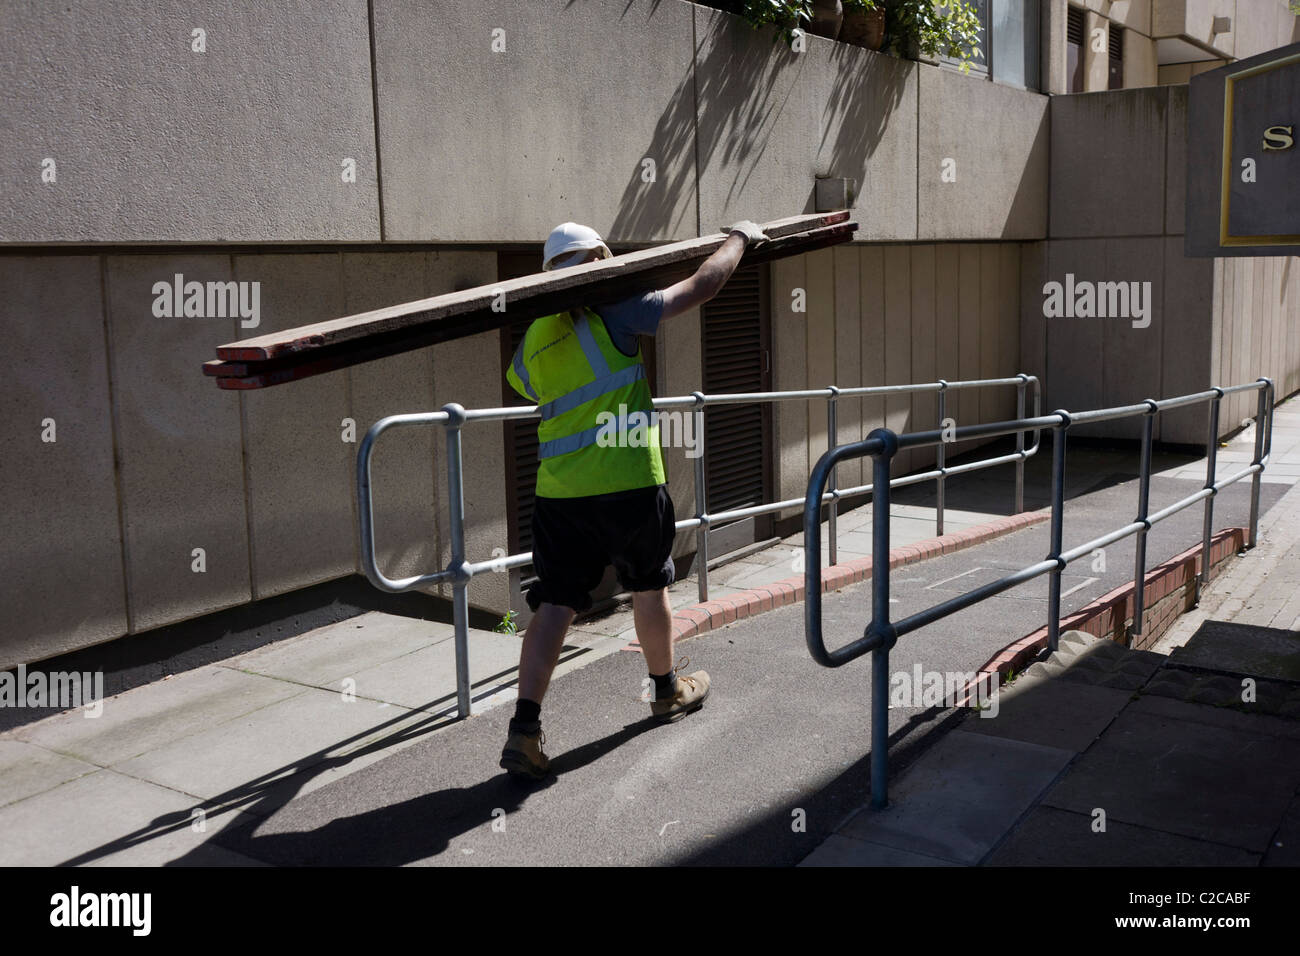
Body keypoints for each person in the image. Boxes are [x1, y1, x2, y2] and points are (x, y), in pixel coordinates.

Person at [499, 219, 769, 779]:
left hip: (560, 494)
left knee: (555, 604)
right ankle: (666, 690)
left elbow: (526, 386)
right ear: (600, 258)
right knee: (649, 585)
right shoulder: (614, 308)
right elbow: (701, 287)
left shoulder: (535, 336)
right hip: (629, 484)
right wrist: (741, 238)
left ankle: (524, 732)